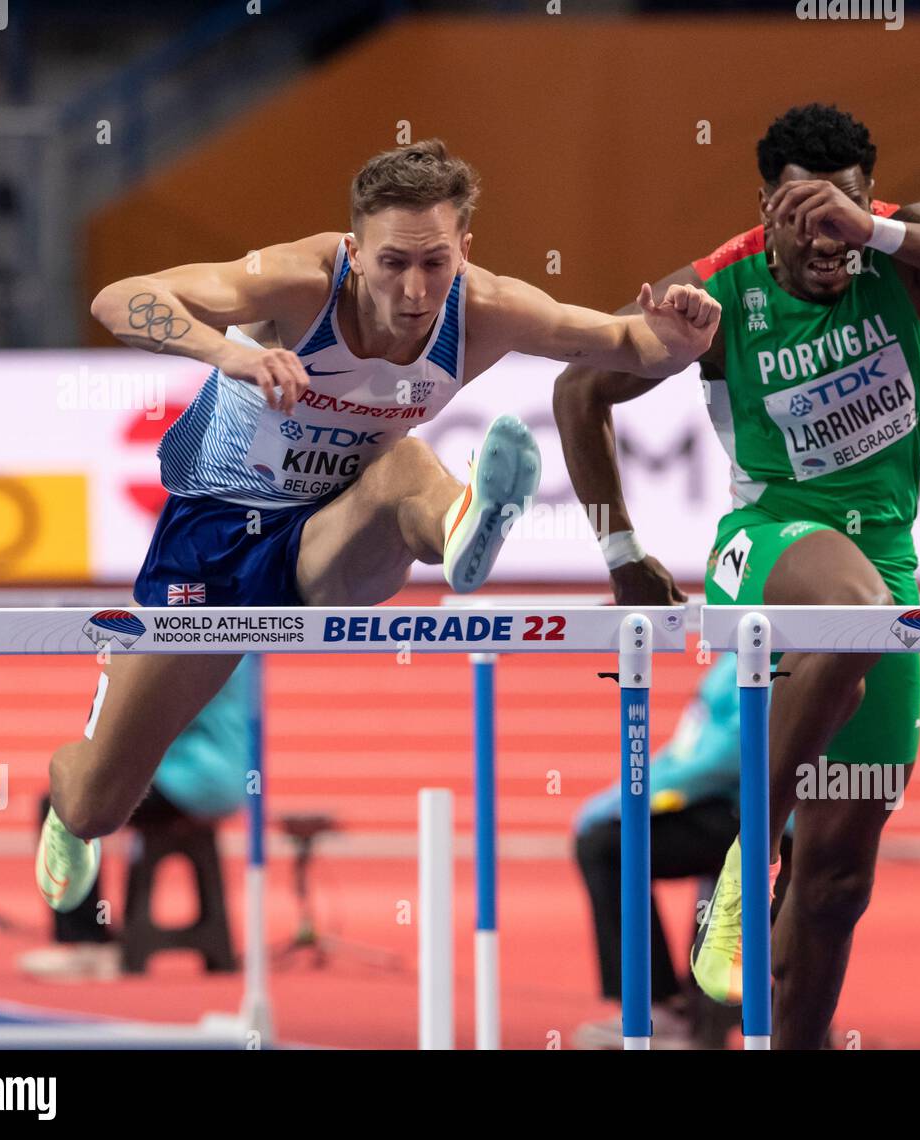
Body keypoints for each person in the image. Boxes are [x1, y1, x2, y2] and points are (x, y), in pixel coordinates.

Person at [37, 139, 720, 915]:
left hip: (335, 540)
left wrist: (683, 339)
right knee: (100, 799)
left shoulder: (489, 308)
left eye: (435, 262)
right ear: (355, 250)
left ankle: (462, 530)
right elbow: (119, 298)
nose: (416, 288)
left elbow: (627, 342)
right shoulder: (297, 282)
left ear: (465, 249)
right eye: (392, 262)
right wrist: (226, 352)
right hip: (216, 537)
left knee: (406, 469)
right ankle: (67, 809)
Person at [554, 104, 920, 1047]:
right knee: (852, 617)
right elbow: (579, 389)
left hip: (890, 566)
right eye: (805, 215)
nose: (830, 240)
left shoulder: (909, 244)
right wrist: (622, 555)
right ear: (765, 206)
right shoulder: (716, 290)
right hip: (768, 544)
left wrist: (878, 230)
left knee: (833, 886)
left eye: (845, 213)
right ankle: (746, 851)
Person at [572, 654, 796, 1049]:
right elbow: (691, 749)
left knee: (605, 846)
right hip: (730, 807)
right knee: (607, 840)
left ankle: (658, 1007)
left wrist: (631, 798)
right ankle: (665, 1005)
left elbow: (729, 754)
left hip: (764, 820)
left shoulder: (771, 652)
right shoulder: (734, 655)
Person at [23, 657, 254, 979]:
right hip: (221, 777)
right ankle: (96, 938)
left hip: (192, 778)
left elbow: (143, 713)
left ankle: (87, 945)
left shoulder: (196, 652)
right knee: (89, 791)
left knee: (66, 802)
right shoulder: (230, 639)